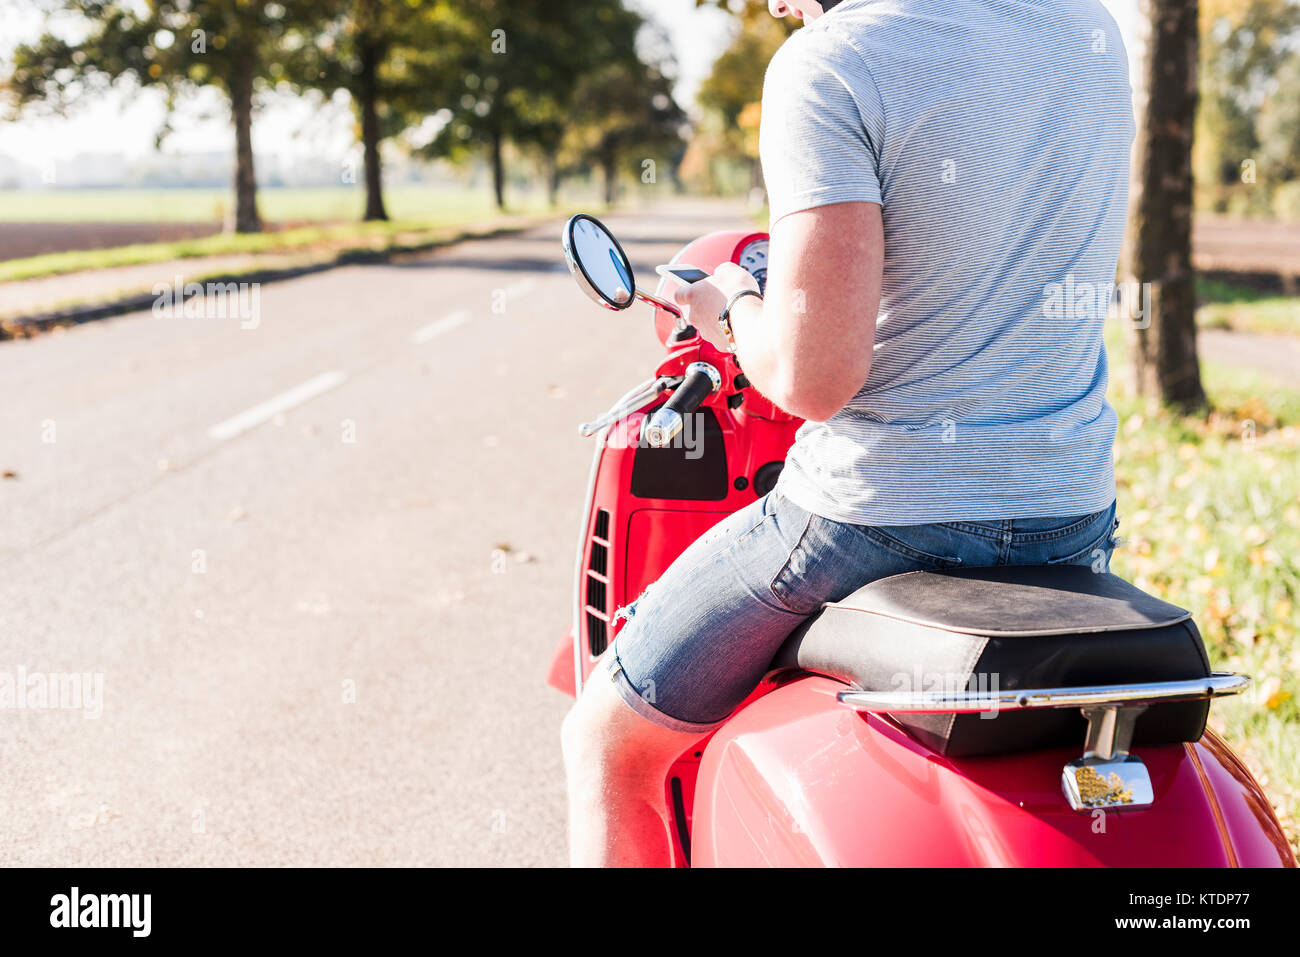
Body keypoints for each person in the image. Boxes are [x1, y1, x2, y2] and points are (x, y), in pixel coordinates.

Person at [561, 0, 1135, 867]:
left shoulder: (831, 64)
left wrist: (729, 310)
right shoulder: (1086, 30)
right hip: (1071, 513)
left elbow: (810, 379)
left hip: (877, 517)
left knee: (604, 742)